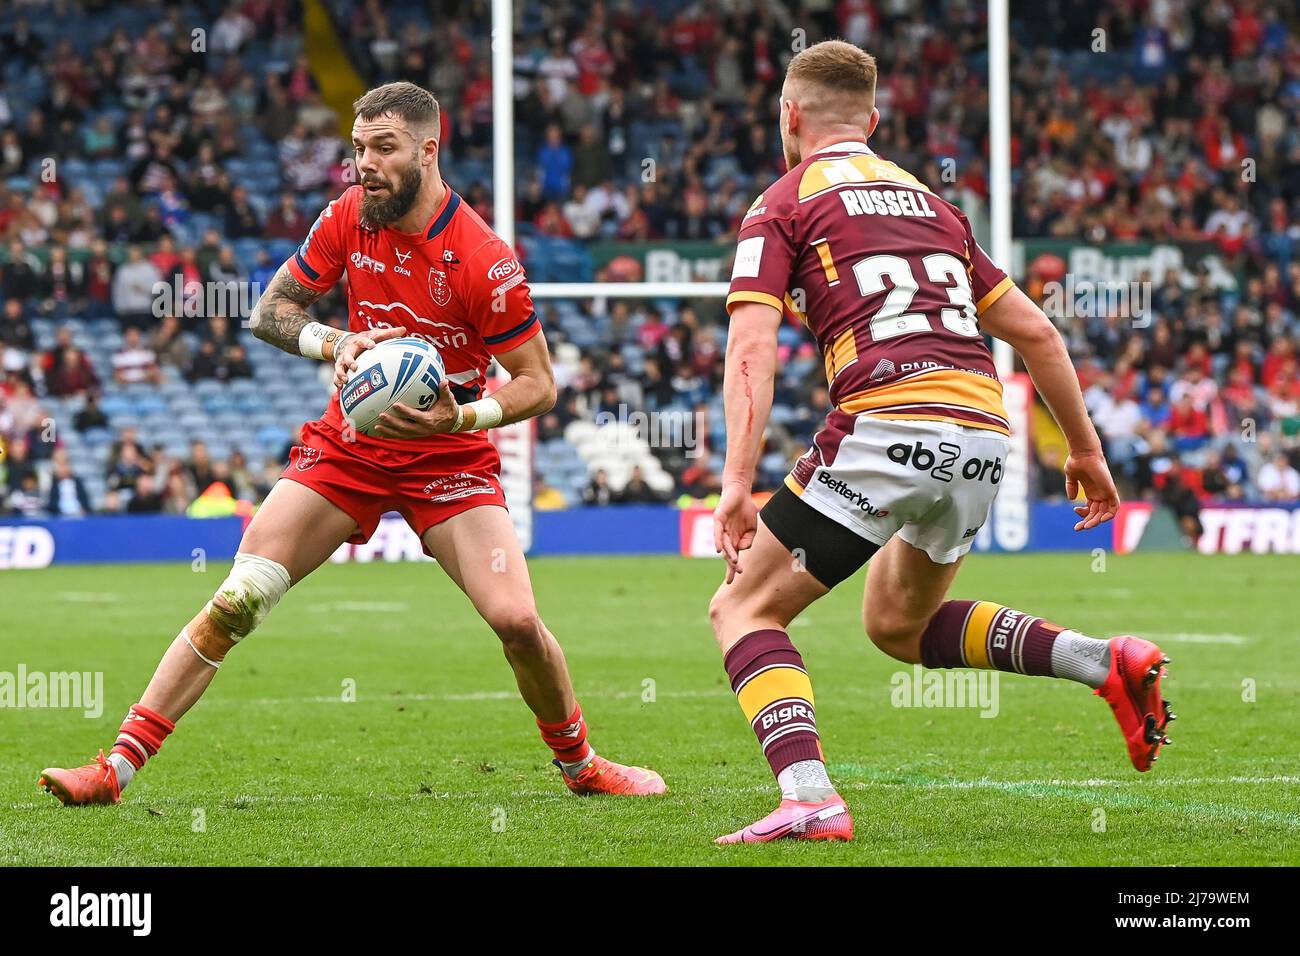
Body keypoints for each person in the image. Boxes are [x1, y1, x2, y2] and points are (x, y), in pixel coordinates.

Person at [41, 81, 664, 807]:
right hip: (350, 446)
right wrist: (335, 342)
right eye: (358, 149)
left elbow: (537, 383)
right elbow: (269, 311)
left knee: (518, 622)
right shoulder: (346, 217)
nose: (364, 164)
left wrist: (459, 419)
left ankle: (583, 765)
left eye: (384, 148)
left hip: (448, 458)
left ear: (430, 150)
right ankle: (115, 768)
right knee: (240, 597)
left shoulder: (485, 261)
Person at [708, 41, 1173, 845]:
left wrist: (734, 481)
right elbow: (1036, 333)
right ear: (874, 122)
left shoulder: (782, 203)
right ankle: (1106, 662)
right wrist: (1085, 453)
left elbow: (752, 350)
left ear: (789, 115)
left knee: (742, 605)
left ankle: (810, 798)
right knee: (896, 625)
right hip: (983, 433)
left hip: (888, 418)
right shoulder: (936, 206)